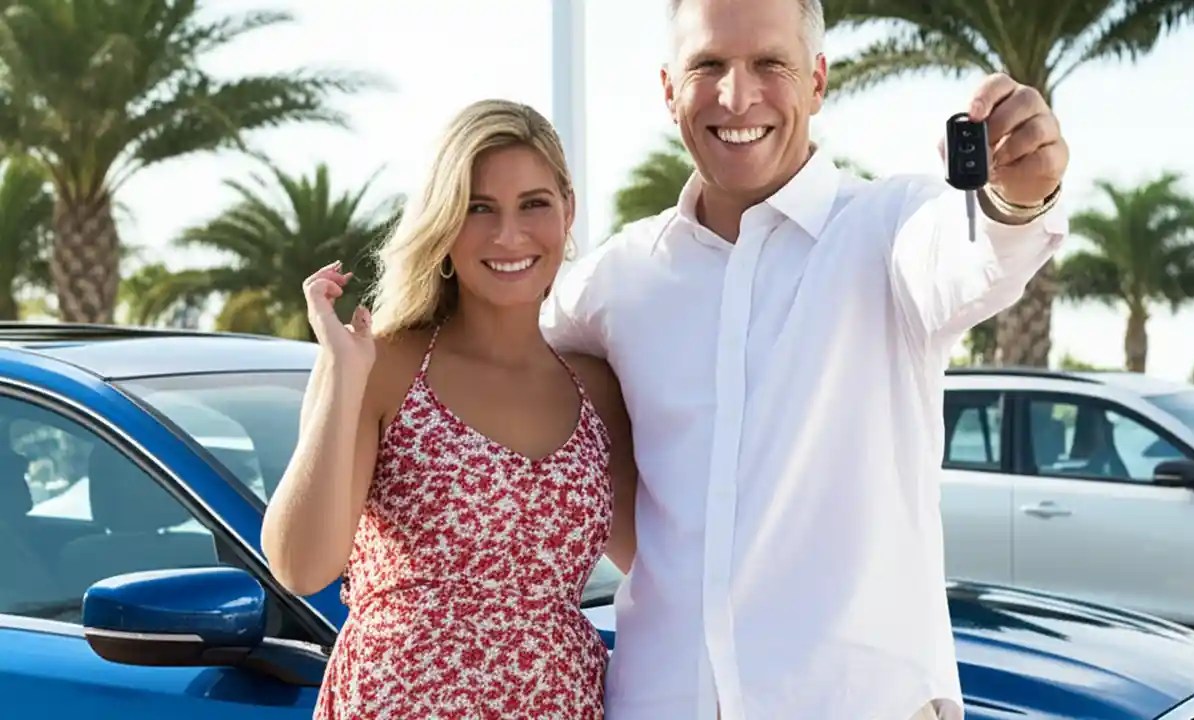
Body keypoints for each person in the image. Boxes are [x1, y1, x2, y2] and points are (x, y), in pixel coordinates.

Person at [540, 0, 1069, 718]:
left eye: (769, 64)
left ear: (817, 81)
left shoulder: (892, 229)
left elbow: (978, 251)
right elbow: (501, 364)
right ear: (668, 89)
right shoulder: (616, 279)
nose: (737, 96)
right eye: (708, 65)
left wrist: (1018, 196)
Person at [262, 98, 638, 720]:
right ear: (442, 221)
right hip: (400, 701)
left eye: (533, 204)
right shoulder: (379, 365)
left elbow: (663, 561)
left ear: (568, 210)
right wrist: (342, 378)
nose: (509, 235)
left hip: (559, 702)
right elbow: (300, 567)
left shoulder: (595, 389)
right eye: (477, 208)